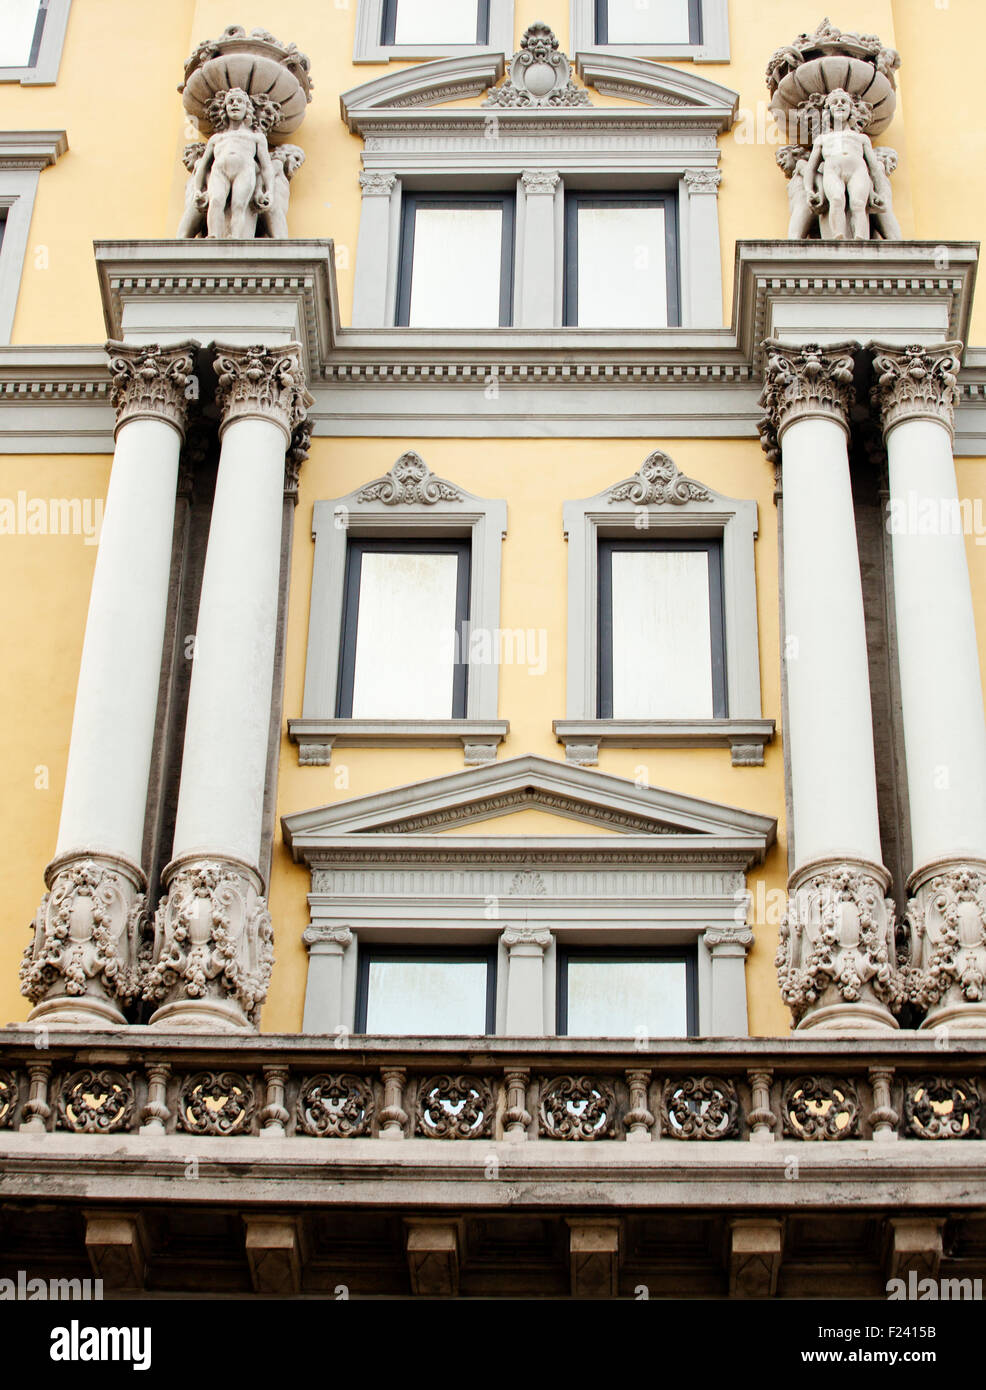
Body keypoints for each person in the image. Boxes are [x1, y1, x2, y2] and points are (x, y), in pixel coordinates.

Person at [193, 88, 274, 239]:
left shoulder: (256, 137)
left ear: (247, 108)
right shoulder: (217, 138)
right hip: (219, 171)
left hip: (244, 170)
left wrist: (269, 190)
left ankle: (236, 237)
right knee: (215, 201)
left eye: (239, 102)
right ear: (225, 109)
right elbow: (203, 166)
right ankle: (213, 236)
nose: (234, 104)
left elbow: (266, 166)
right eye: (230, 102)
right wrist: (197, 189)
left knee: (239, 205)